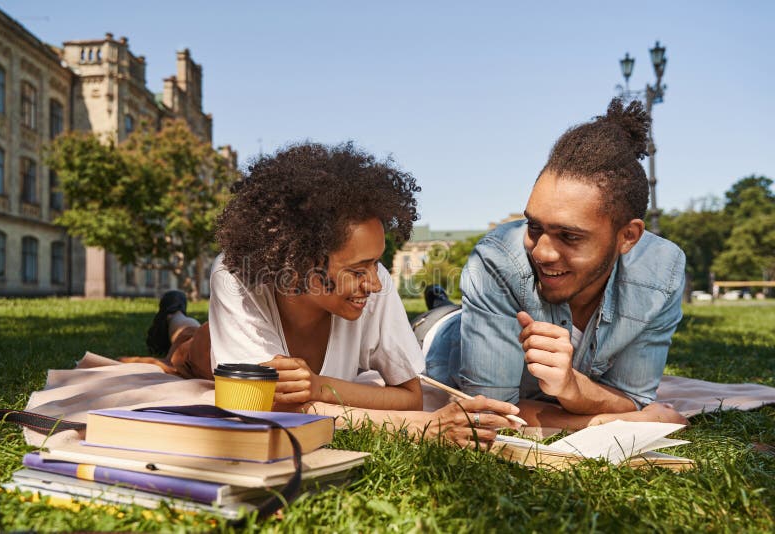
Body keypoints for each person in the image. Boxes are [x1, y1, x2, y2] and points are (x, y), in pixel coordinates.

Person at [122, 142, 521, 447]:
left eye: (376, 264)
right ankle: (173, 318)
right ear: (298, 267)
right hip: (211, 353)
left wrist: (319, 387)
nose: (377, 284)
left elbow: (410, 396)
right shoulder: (235, 276)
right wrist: (420, 429)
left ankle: (175, 319)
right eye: (356, 270)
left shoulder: (373, 284)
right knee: (185, 353)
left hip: (273, 358)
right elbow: (257, 407)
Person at [423, 99, 688, 429]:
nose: (542, 252)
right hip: (441, 337)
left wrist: (571, 388)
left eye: (569, 236)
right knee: (440, 319)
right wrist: (619, 421)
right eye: (534, 227)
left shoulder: (662, 272)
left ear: (628, 237)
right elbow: (492, 416)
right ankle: (438, 307)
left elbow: (631, 397)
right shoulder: (495, 261)